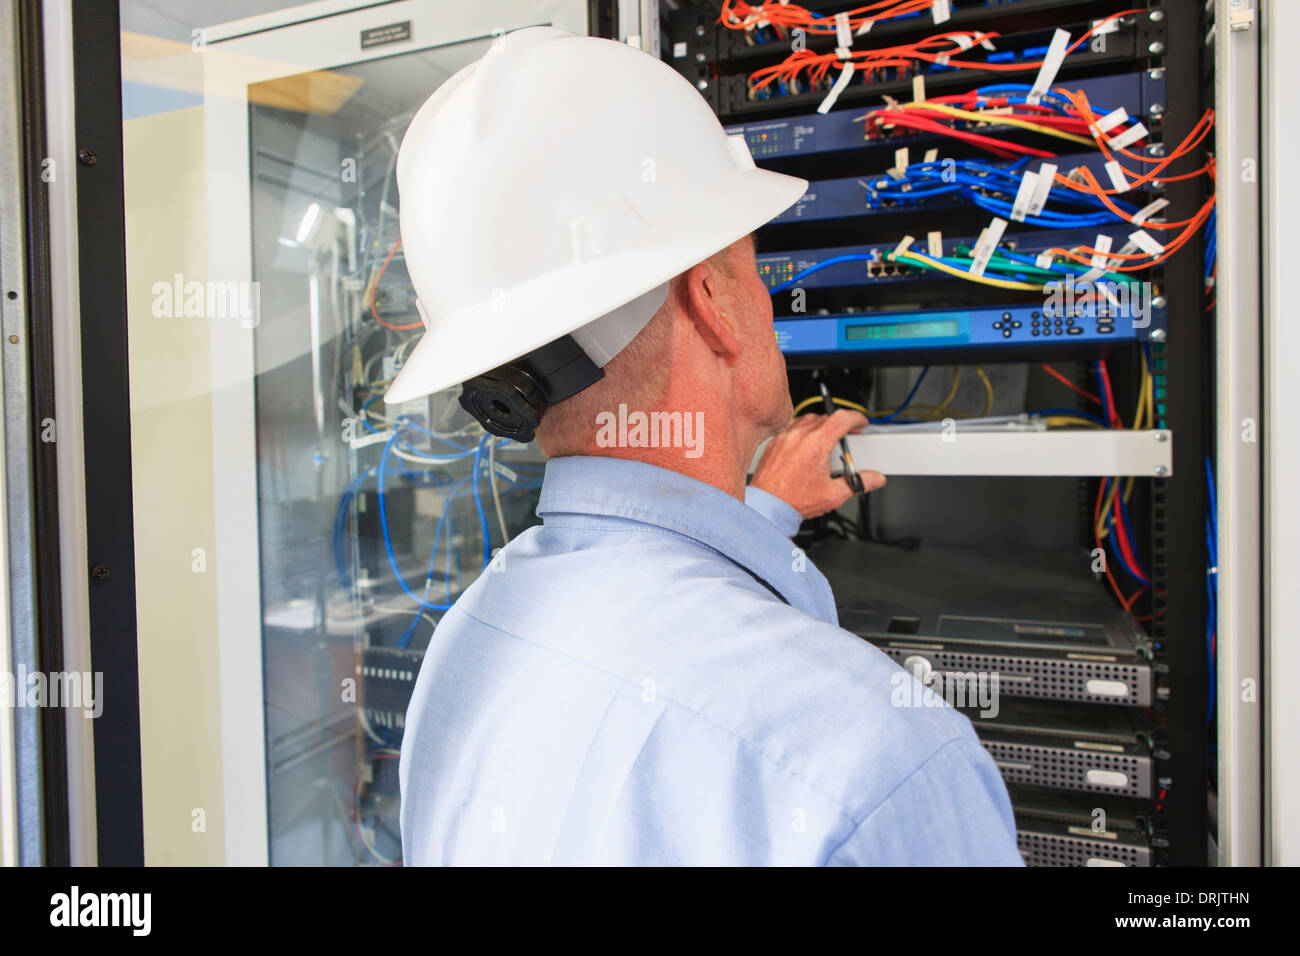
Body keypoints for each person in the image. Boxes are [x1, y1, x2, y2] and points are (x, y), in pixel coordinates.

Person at [390, 26, 1022, 866]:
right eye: (755, 269)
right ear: (715, 300)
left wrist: (758, 511)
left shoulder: (466, 649)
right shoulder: (882, 762)